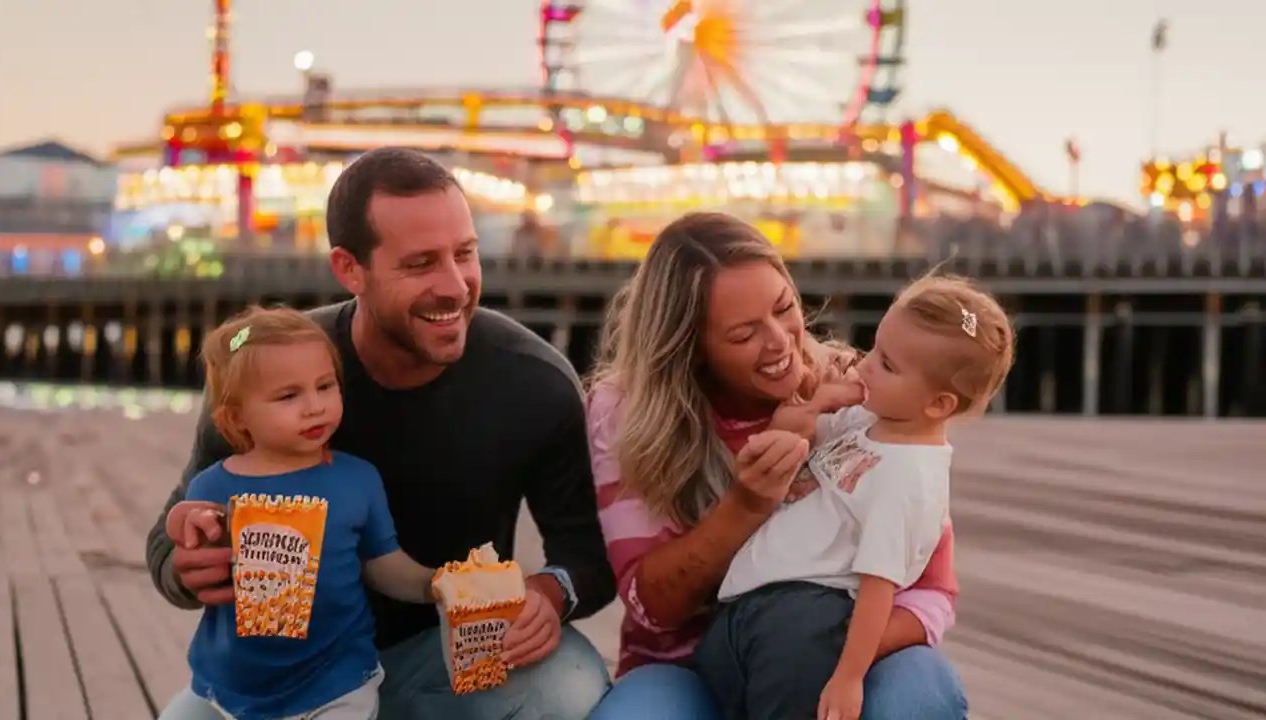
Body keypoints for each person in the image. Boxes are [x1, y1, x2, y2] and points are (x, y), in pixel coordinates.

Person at [145, 147, 617, 720]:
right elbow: (172, 533)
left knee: (571, 681)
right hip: (275, 680)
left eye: (464, 254)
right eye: (420, 264)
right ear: (349, 269)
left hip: (443, 660)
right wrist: (184, 568)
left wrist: (550, 592)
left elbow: (587, 557)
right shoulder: (278, 372)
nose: (455, 286)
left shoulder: (534, 381)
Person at [584, 212, 968, 719]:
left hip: (829, 648)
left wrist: (830, 656)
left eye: (785, 307)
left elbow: (934, 590)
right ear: (689, 349)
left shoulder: (852, 389)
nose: (781, 342)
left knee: (920, 691)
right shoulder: (625, 411)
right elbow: (650, 607)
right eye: (744, 334)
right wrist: (748, 503)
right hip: (687, 667)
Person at [694, 274, 1015, 720]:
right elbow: (799, 433)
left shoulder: (907, 476)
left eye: (886, 365)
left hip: (807, 615)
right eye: (873, 348)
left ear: (938, 405)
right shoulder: (867, 424)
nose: (862, 366)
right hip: (744, 612)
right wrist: (822, 401)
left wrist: (847, 677)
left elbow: (878, 587)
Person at [167, 306, 440, 719]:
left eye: (325, 386)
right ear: (236, 417)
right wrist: (185, 527)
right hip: (228, 683)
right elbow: (188, 545)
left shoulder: (357, 479)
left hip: (335, 682)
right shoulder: (213, 487)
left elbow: (382, 564)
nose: (315, 406)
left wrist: (433, 584)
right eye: (288, 395)